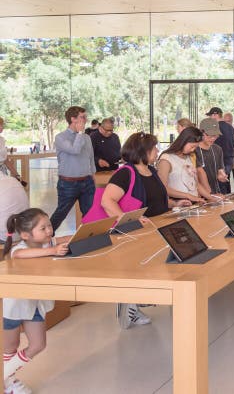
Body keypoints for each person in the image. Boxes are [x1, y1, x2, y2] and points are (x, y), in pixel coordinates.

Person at [101, 132, 190, 328]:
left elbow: (157, 199)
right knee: (135, 272)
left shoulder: (151, 170)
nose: (157, 151)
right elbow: (107, 201)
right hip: (135, 233)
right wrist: (128, 221)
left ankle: (135, 303)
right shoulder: (126, 173)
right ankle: (129, 308)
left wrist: (175, 203)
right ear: (143, 150)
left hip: (156, 228)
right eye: (154, 148)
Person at [3, 208, 70, 393]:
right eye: (43, 228)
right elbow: (21, 255)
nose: (49, 231)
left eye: (49, 225)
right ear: (25, 235)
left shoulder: (47, 243)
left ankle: (5, 376)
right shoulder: (20, 249)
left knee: (38, 345)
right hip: (14, 307)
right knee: (10, 348)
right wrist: (53, 250)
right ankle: (8, 382)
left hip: (34, 305)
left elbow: (67, 238)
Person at [51, 106, 96, 231]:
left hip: (87, 182)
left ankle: (89, 240)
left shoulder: (87, 138)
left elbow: (90, 157)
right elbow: (75, 150)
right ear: (73, 119)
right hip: (68, 184)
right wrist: (80, 133)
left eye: (85, 117)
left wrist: (92, 176)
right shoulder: (60, 137)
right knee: (61, 214)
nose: (85, 120)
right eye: (82, 117)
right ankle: (44, 239)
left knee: (89, 214)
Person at [156, 127, 205, 204]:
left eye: (196, 147)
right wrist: (187, 196)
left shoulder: (189, 157)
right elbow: (163, 188)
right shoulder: (166, 159)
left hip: (194, 202)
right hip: (178, 204)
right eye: (192, 146)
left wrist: (211, 197)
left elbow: (196, 184)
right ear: (184, 141)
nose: (193, 150)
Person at [195, 118, 227, 197]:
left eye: (216, 135)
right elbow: (198, 173)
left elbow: (220, 168)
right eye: (209, 135)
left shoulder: (217, 149)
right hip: (198, 195)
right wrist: (210, 195)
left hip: (215, 192)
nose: (213, 138)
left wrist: (222, 174)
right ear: (201, 133)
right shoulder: (194, 150)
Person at [207, 107, 234, 194]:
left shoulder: (214, 127)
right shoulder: (230, 127)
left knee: (219, 184)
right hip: (229, 159)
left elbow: (210, 144)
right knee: (226, 181)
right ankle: (228, 202)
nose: (209, 118)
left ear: (215, 115)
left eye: (210, 116)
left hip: (218, 160)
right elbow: (233, 143)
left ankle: (222, 205)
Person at [0, 117, 22, 181]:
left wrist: (17, 175)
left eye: (2, 125)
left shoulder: (2, 140)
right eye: (0, 125)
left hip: (3, 172)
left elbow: (6, 160)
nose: (2, 127)